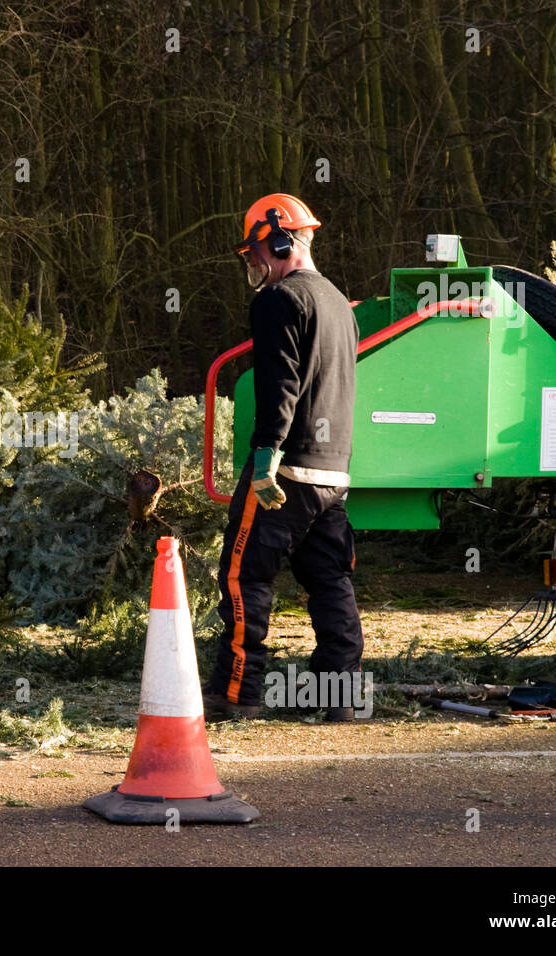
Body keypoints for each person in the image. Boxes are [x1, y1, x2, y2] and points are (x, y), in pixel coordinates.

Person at [201, 193, 365, 721]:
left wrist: (267, 455)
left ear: (278, 241)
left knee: (244, 575)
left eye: (255, 252)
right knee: (330, 580)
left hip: (288, 468)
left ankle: (237, 693)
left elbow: (281, 387)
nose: (252, 263)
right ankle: (339, 696)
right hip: (332, 469)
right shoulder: (340, 303)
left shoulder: (278, 301)